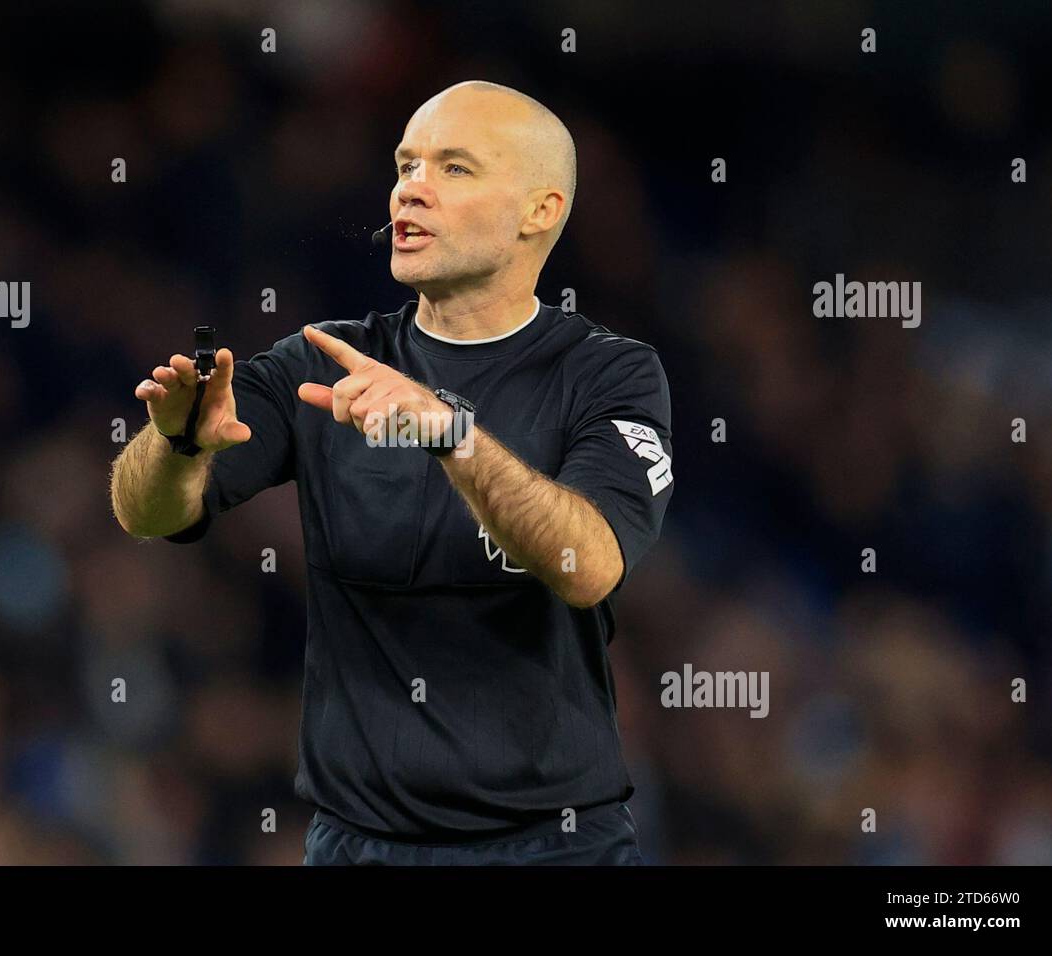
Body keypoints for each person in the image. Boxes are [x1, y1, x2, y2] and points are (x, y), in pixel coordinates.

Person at [110, 80, 673, 865]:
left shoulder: (609, 375)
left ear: (539, 210)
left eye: (454, 168)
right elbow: (150, 515)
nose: (411, 186)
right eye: (406, 164)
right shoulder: (325, 360)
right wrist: (176, 445)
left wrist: (451, 433)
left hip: (555, 847)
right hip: (357, 847)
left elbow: (591, 564)